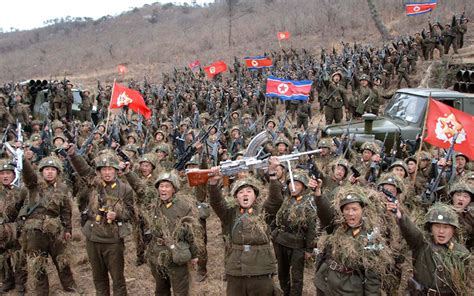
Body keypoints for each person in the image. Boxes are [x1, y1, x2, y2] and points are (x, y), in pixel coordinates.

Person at [68, 147, 134, 296]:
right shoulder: (94, 184)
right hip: (93, 238)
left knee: (118, 279)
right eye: (103, 169)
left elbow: (130, 214)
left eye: (110, 169)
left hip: (113, 241)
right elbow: (82, 169)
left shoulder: (125, 189)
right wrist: (72, 155)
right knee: (99, 279)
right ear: (99, 171)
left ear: (116, 170)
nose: (107, 172)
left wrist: (116, 215)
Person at [207, 171, 277, 296]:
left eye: (249, 191)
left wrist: (272, 175)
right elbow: (217, 202)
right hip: (236, 269)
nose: (245, 194)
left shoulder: (264, 212)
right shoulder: (230, 214)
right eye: (240, 192)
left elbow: (275, 200)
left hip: (260, 268)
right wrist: (213, 183)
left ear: (255, 196)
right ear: (236, 198)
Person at [19, 156, 76, 295]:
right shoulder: (33, 184)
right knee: (38, 264)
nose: (49, 172)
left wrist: (68, 228)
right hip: (35, 232)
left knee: (62, 261)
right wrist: (22, 158)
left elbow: (65, 210)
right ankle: (42, 292)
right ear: (41, 171)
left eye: (52, 169)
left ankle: (70, 287)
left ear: (57, 172)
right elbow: (28, 173)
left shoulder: (62, 188)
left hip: (55, 230)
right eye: (46, 169)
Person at [265, 158, 318, 296]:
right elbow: (274, 191)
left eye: (297, 184)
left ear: (304, 186)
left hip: (297, 245)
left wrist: (309, 249)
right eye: (290, 184)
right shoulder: (285, 199)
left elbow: (312, 228)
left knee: (296, 277)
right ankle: (285, 292)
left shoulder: (309, 203)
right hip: (280, 241)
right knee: (282, 273)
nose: (293, 187)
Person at [0, 159, 27, 294]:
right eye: (2, 173)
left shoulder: (20, 191)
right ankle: (7, 281)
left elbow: (25, 207)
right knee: (3, 257)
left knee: (18, 257)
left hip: (15, 229)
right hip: (0, 230)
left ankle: (20, 284)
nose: (5, 176)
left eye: (8, 173)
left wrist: (20, 224)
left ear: (13, 175)